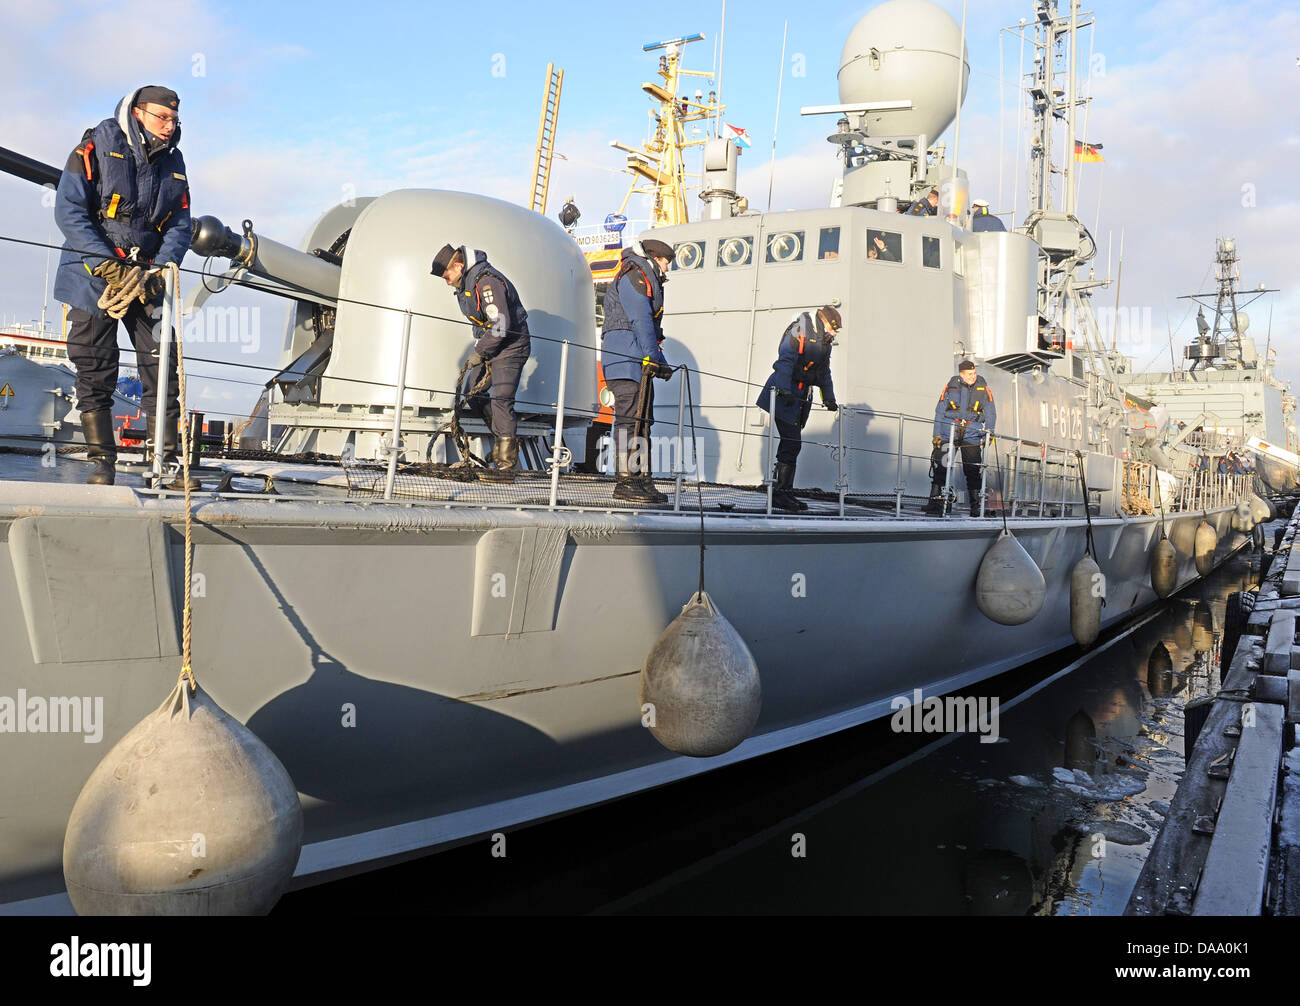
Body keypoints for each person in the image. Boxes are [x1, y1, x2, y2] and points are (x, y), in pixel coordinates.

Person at [54, 85, 193, 488]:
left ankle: (166, 467)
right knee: (94, 368)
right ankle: (103, 465)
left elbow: (180, 224)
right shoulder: (94, 148)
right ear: (137, 113)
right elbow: (70, 212)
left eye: (174, 119)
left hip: (147, 277)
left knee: (160, 365)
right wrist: (107, 266)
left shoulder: (175, 162)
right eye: (161, 117)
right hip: (91, 275)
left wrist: (163, 267)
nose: (170, 126)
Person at [430, 243, 532, 479]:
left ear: (459, 265)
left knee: (501, 399)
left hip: (511, 347)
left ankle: (506, 466)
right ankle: (500, 445)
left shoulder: (486, 282)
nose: (445, 280)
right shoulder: (467, 284)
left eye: (446, 274)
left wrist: (480, 352)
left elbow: (501, 325)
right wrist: (483, 350)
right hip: (494, 347)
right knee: (474, 394)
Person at [599, 238, 675, 504]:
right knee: (629, 420)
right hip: (625, 358)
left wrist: (658, 361)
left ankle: (641, 479)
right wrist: (654, 357)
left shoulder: (642, 275)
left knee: (642, 421)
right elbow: (640, 318)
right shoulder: (636, 274)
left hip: (635, 358)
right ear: (655, 258)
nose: (667, 270)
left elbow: (649, 330)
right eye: (666, 263)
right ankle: (626, 481)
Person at [756, 306, 841, 512]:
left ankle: (781, 489)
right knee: (792, 443)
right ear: (824, 321)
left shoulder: (825, 342)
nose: (834, 333)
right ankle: (781, 494)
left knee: (791, 442)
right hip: (785, 393)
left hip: (800, 397)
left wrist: (829, 398)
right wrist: (784, 391)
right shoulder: (800, 328)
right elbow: (785, 358)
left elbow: (824, 371)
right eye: (833, 328)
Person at [925, 359, 996, 516]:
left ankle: (976, 506)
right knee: (941, 467)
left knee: (972, 470)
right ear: (961, 374)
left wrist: (990, 434)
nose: (973, 376)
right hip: (947, 433)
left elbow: (991, 412)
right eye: (970, 374)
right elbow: (939, 411)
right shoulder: (951, 386)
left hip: (972, 434)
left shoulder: (983, 387)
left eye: (974, 373)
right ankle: (935, 502)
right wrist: (936, 435)